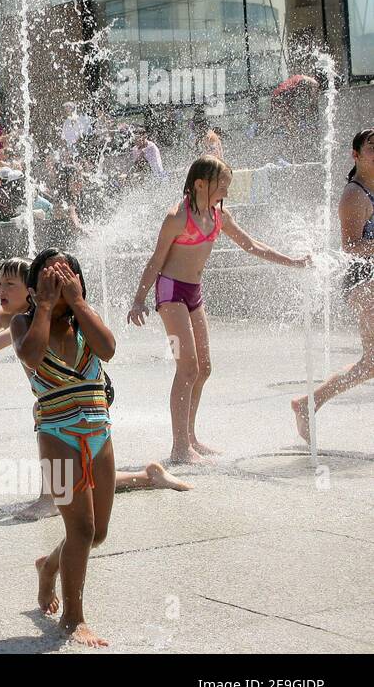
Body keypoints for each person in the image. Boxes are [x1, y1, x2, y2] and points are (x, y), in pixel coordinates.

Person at [0, 257, 188, 515]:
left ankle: (48, 498)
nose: (2, 290)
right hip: (62, 392)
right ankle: (149, 475)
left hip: (85, 389)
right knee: (84, 479)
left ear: (33, 288)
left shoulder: (33, 317)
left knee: (43, 417)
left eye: (10, 284)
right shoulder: (8, 316)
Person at [128, 156, 309, 464]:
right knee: (187, 368)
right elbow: (156, 260)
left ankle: (191, 437)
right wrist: (138, 299)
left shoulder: (219, 215)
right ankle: (179, 449)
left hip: (193, 292)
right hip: (170, 293)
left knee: (204, 368)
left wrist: (291, 262)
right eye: (222, 182)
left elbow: (251, 245)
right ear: (200, 183)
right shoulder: (177, 217)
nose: (226, 188)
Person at [12, 249, 116, 647]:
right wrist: (45, 306)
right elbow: (33, 357)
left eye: (66, 276)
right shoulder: (23, 323)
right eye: (49, 278)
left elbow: (107, 349)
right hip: (55, 434)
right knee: (82, 528)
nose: (58, 282)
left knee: (98, 533)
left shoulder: (82, 318)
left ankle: (48, 566)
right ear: (35, 288)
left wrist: (76, 301)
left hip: (99, 431)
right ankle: (73, 619)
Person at [292, 129, 374, 439]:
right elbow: (350, 247)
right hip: (364, 282)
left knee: (371, 363)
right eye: (371, 147)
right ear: (355, 155)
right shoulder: (355, 195)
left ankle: (309, 403)